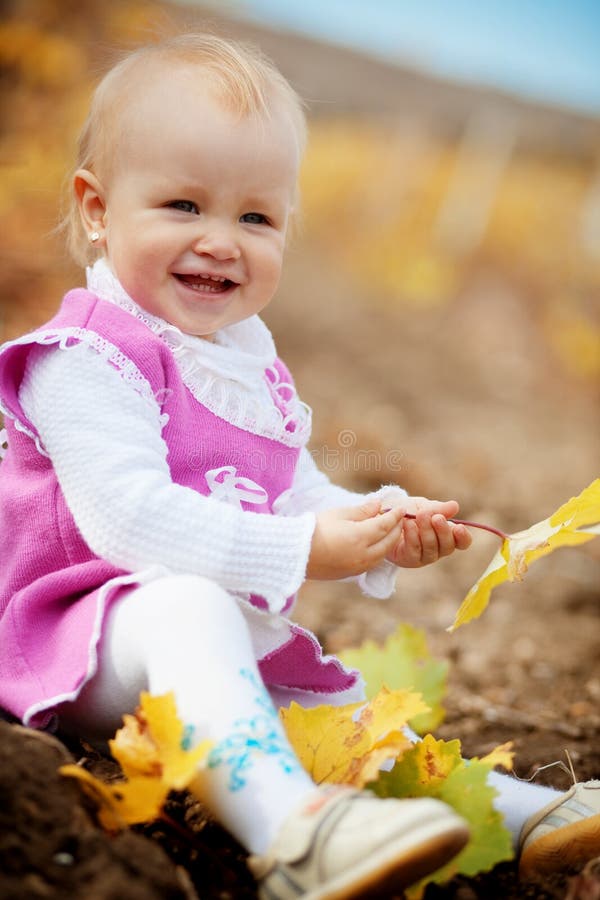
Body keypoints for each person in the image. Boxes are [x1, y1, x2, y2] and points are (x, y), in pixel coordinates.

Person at [0, 33, 598, 899]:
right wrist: (304, 549)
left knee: (330, 717)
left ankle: (515, 817)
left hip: (193, 643)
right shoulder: (84, 358)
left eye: (255, 217)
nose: (220, 241)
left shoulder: (239, 361)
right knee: (189, 605)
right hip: (69, 639)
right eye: (181, 205)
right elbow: (127, 521)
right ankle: (293, 837)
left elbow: (295, 493)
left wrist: (378, 521)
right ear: (97, 207)